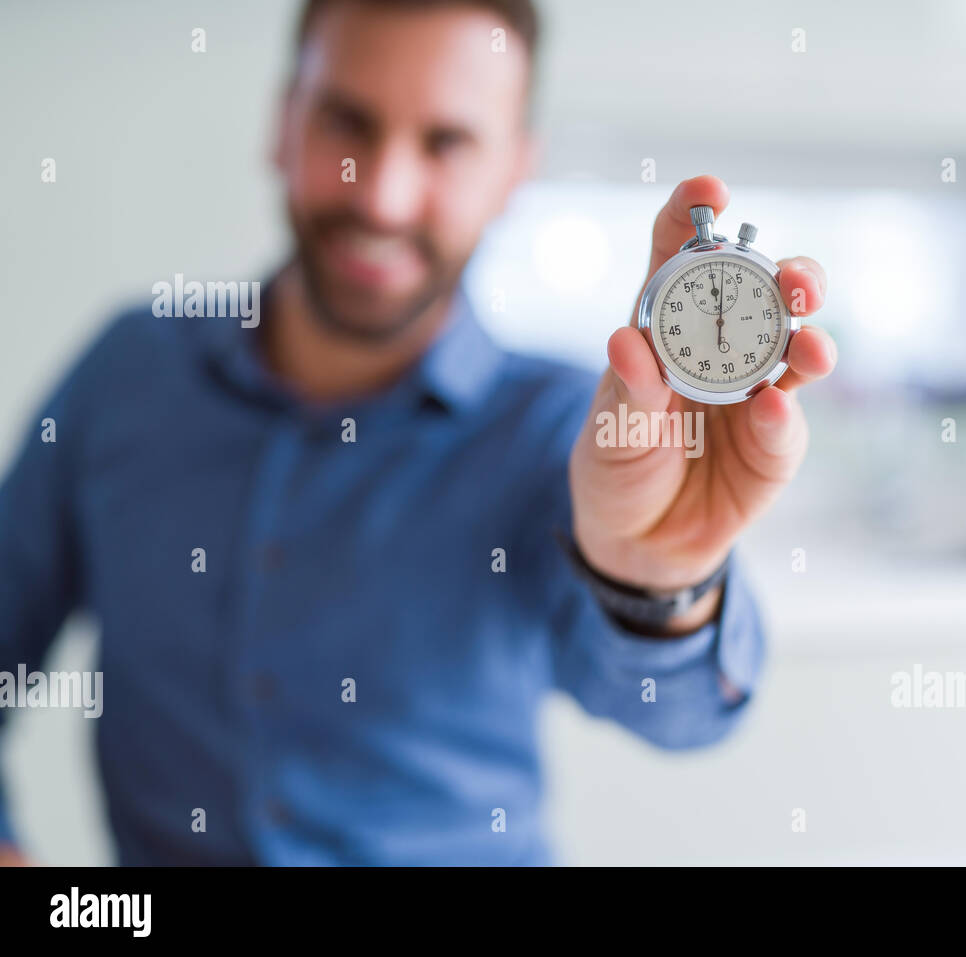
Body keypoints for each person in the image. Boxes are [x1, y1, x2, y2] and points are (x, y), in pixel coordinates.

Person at [0, 0, 835, 865]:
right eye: (348, 123)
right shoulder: (128, 373)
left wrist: (660, 580)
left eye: (447, 143)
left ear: (514, 173)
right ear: (284, 125)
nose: (386, 196)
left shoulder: (572, 433)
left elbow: (684, 718)